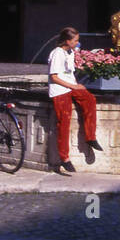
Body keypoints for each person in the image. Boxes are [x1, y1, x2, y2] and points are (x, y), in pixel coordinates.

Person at [47, 27, 102, 175]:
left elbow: (70, 73)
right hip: (59, 90)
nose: (78, 43)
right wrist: (73, 86)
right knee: (64, 121)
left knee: (90, 99)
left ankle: (90, 137)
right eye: (75, 40)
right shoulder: (57, 54)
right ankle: (64, 158)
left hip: (70, 86)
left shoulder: (70, 52)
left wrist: (78, 87)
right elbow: (54, 77)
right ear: (67, 41)